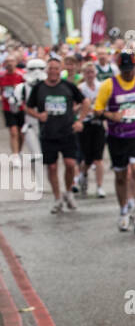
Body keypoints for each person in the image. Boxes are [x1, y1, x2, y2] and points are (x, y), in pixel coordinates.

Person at [92, 51, 135, 233]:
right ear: (119, 68)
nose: (128, 73)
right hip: (118, 136)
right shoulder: (109, 85)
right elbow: (97, 110)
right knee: (121, 176)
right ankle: (123, 210)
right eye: (124, 70)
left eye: (130, 69)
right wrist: (110, 115)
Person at [25, 56, 84, 213]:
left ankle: (69, 192)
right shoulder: (39, 88)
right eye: (50, 68)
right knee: (51, 167)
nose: (53, 71)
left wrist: (80, 120)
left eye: (56, 69)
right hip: (48, 133)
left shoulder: (68, 86)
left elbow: (84, 101)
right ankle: (57, 199)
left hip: (67, 132)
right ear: (47, 70)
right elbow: (28, 107)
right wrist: (38, 116)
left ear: (60, 70)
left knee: (70, 164)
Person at [75, 59, 107, 198]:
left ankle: (99, 186)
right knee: (87, 158)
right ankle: (83, 174)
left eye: (92, 72)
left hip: (98, 123)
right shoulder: (81, 88)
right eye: (87, 72)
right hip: (86, 124)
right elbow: (75, 107)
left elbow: (106, 103)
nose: (90, 74)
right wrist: (84, 108)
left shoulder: (102, 86)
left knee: (99, 157)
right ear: (84, 74)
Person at [0, 52, 26, 158]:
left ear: (16, 63)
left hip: (21, 107)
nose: (9, 63)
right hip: (8, 107)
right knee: (13, 132)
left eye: (12, 61)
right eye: (7, 61)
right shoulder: (2, 76)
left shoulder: (22, 75)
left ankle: (18, 151)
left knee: (21, 133)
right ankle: (15, 155)